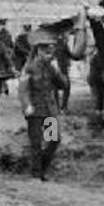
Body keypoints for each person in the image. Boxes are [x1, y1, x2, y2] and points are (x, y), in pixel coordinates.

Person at [18, 30, 69, 180]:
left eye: (50, 51)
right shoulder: (29, 68)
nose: (48, 54)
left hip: (49, 111)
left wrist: (58, 70)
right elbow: (23, 89)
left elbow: (64, 85)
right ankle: (36, 174)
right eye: (45, 51)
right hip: (35, 111)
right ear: (38, 51)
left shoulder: (51, 68)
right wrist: (27, 105)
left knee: (53, 140)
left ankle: (42, 168)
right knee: (36, 143)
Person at [53, 34, 73, 112]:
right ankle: (63, 107)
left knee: (56, 88)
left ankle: (58, 107)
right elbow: (70, 54)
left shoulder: (53, 44)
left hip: (58, 68)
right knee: (66, 87)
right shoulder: (63, 44)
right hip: (61, 68)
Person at [87, 47, 104, 112]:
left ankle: (99, 113)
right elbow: (103, 67)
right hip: (97, 80)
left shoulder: (95, 56)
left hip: (96, 80)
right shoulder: (98, 56)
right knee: (98, 98)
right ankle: (98, 114)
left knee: (99, 97)